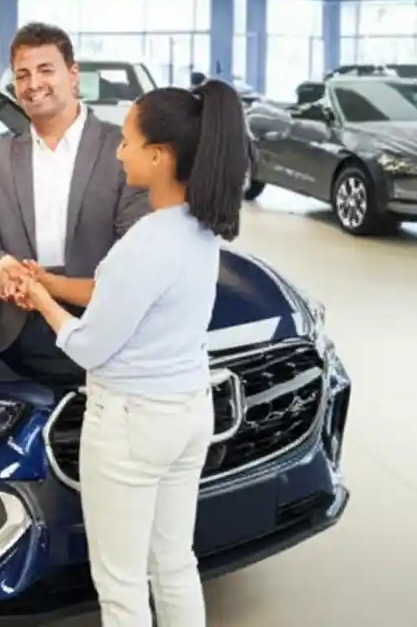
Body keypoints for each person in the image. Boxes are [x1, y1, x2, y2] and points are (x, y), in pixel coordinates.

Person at [21, 79, 250, 627]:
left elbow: (89, 347)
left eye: (126, 141)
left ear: (159, 155)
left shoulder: (144, 242)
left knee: (120, 583)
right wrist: (51, 282)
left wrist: (39, 301)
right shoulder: (198, 229)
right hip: (188, 413)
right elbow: (120, 294)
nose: (118, 152)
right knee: (174, 562)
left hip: (131, 426)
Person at [0, 22, 149, 381]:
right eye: (22, 75)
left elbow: (137, 247)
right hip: (17, 333)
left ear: (73, 76)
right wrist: (1, 267)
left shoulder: (122, 151)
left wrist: (55, 287)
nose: (33, 84)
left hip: (103, 326)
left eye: (45, 70)